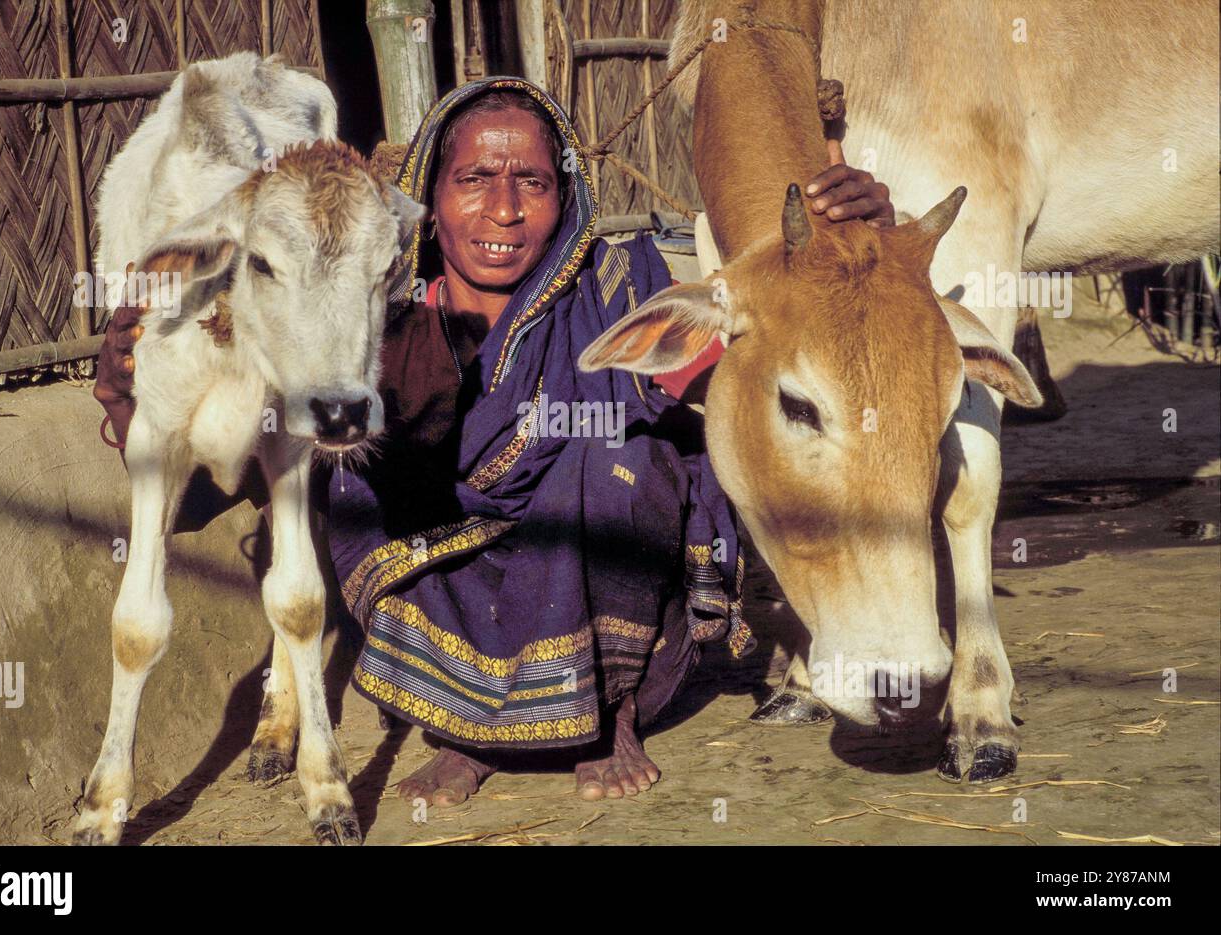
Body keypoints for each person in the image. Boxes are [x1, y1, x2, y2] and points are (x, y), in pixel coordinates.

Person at [93, 76, 895, 806]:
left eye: (533, 182)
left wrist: (860, 261)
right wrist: (130, 389)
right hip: (451, 627)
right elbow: (226, 443)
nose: (504, 209)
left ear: (566, 193)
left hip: (614, 623)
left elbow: (770, 396)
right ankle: (464, 730)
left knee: (613, 458)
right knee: (353, 475)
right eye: (473, 179)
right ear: (429, 199)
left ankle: (606, 713)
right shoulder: (369, 312)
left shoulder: (623, 291)